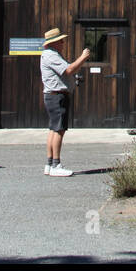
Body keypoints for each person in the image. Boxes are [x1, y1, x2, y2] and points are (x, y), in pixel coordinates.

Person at [39, 27, 90, 177]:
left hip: (53, 95)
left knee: (53, 129)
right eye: (60, 40)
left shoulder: (50, 55)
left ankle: (49, 164)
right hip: (56, 96)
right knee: (59, 130)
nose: (62, 42)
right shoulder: (51, 56)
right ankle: (56, 164)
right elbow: (68, 70)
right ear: (53, 43)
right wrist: (83, 57)